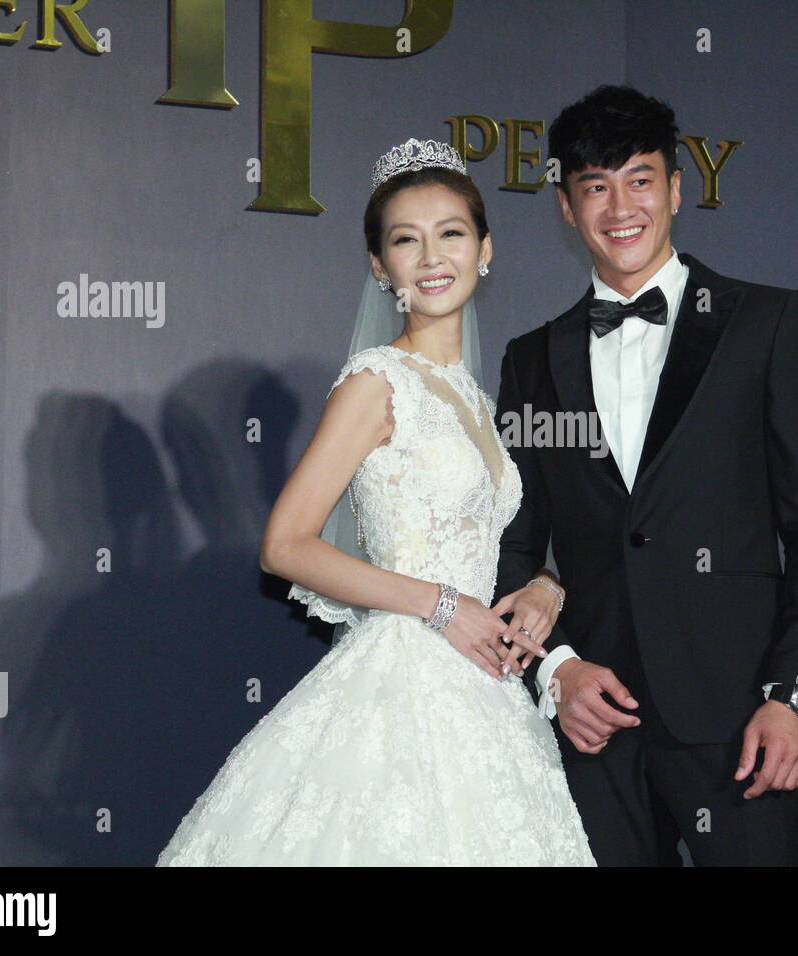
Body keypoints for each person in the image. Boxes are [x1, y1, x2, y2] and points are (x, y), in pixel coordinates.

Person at [157, 138, 595, 866]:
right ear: (378, 265)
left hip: (482, 692)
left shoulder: (477, 401)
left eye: (450, 233)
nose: (431, 258)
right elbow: (286, 544)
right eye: (406, 241)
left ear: (485, 250)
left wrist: (540, 587)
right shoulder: (376, 381)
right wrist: (443, 605)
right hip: (400, 684)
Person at [494, 86, 798, 866]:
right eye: (594, 185)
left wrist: (797, 697)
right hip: (597, 725)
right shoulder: (531, 359)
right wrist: (557, 671)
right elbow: (511, 547)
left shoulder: (768, 322)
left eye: (640, 179)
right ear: (564, 205)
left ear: (677, 189)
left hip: (742, 724)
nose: (619, 206)